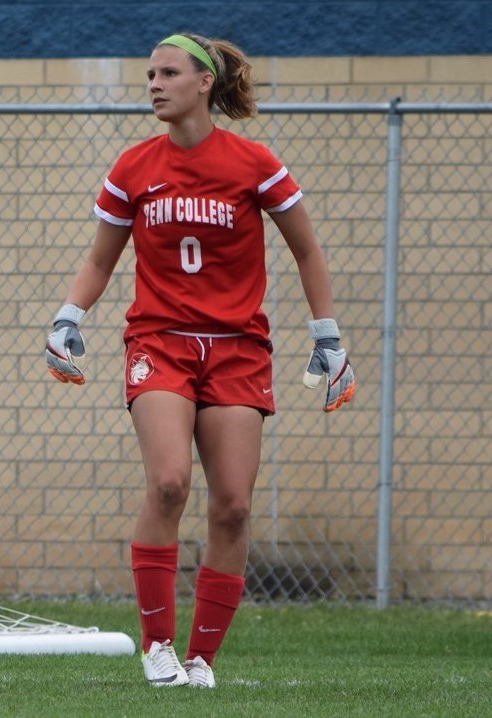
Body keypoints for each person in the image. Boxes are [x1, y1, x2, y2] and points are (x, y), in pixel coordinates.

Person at [44, 33, 355, 688]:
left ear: (204, 82)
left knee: (233, 506)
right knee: (168, 484)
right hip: (159, 341)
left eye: (168, 73)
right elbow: (100, 258)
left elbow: (307, 250)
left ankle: (200, 659)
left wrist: (327, 338)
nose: (154, 84)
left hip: (238, 348)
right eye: (149, 75)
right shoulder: (133, 166)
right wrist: (68, 318)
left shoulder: (254, 163)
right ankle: (155, 646)